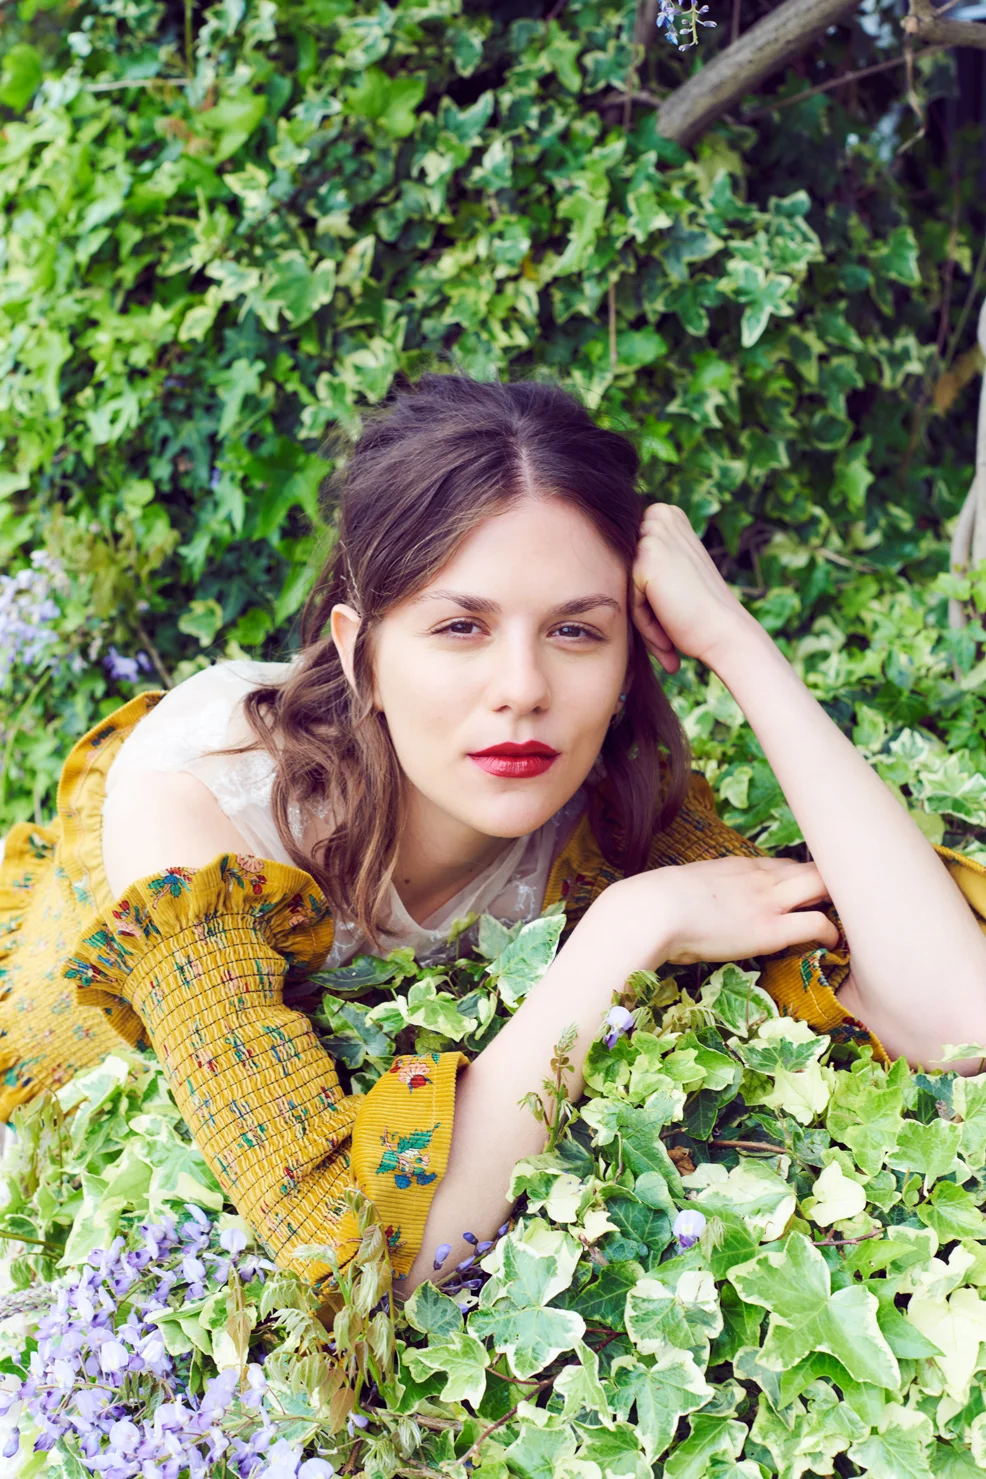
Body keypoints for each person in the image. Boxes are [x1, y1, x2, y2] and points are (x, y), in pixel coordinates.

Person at [2, 373, 986, 1306]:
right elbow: (351, 1256)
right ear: (359, 652)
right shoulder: (201, 813)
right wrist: (625, 931)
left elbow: (956, 1018)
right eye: (460, 628)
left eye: (575, 631)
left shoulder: (595, 797)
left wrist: (734, 640)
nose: (522, 690)